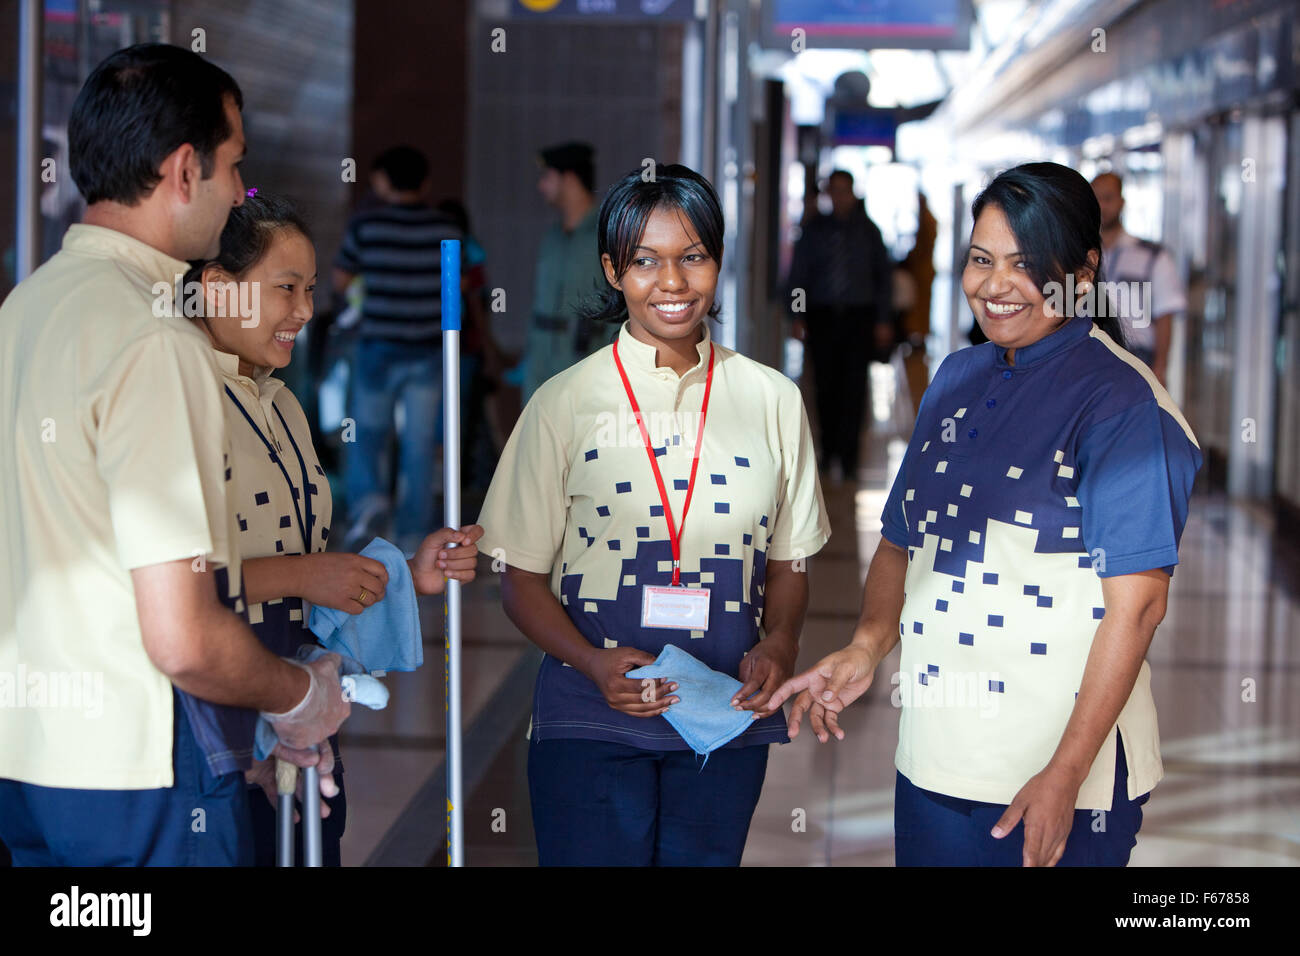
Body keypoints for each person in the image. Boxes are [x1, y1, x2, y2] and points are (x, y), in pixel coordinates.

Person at [764, 162, 1202, 867]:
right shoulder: (955, 379)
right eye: (980, 260)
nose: (993, 286)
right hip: (936, 763)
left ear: (1082, 273)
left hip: (1059, 776)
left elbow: (1139, 607)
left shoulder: (1123, 404)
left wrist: (1065, 773)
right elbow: (902, 543)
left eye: (1024, 265)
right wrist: (867, 646)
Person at [0, 43, 348, 866]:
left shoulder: (25, 310)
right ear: (185, 169)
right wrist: (299, 697)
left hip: (25, 760)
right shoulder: (155, 339)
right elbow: (184, 636)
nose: (239, 193)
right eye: (234, 168)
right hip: (139, 771)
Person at [477, 163, 830, 866]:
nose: (672, 282)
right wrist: (590, 662)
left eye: (692, 256)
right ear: (613, 269)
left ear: (718, 262)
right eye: (646, 261)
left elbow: (790, 563)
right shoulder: (565, 402)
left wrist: (782, 642)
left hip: (723, 716)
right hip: (592, 714)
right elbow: (518, 578)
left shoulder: (769, 400)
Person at [184, 191, 484, 865]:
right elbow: (160, 587)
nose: (305, 311)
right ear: (216, 289)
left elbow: (307, 569)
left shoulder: (283, 403)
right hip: (213, 719)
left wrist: (408, 575)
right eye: (284, 288)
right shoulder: (179, 400)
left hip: (301, 701)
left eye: (311, 289)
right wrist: (300, 575)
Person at [334, 145, 464, 554]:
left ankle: (370, 506)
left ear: (382, 181)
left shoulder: (366, 226)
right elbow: (458, 287)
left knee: (368, 435)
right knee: (420, 443)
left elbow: (340, 279)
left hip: (377, 346)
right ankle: (412, 532)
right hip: (428, 351)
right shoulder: (447, 229)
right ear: (424, 183)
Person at [786, 169, 894, 485]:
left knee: (854, 388)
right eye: (834, 190)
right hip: (822, 317)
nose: (839, 196)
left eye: (844, 190)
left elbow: (883, 279)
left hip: (859, 317)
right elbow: (798, 278)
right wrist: (797, 316)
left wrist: (884, 320)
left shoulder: (869, 231)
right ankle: (827, 452)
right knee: (823, 387)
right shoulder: (813, 230)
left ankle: (848, 459)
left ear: (853, 192)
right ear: (827, 194)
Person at [521, 141, 610, 402]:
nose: (541, 186)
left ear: (569, 178)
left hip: (587, 359)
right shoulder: (552, 237)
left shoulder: (605, 234)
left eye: (547, 176)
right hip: (541, 363)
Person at [1091, 172, 1186, 386]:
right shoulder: (1075, 255)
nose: (1101, 206)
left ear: (1122, 202)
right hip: (1088, 359)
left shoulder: (1152, 256)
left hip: (1137, 361)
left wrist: (1160, 370)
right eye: (1095, 199)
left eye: (1108, 198)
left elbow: (1165, 314)